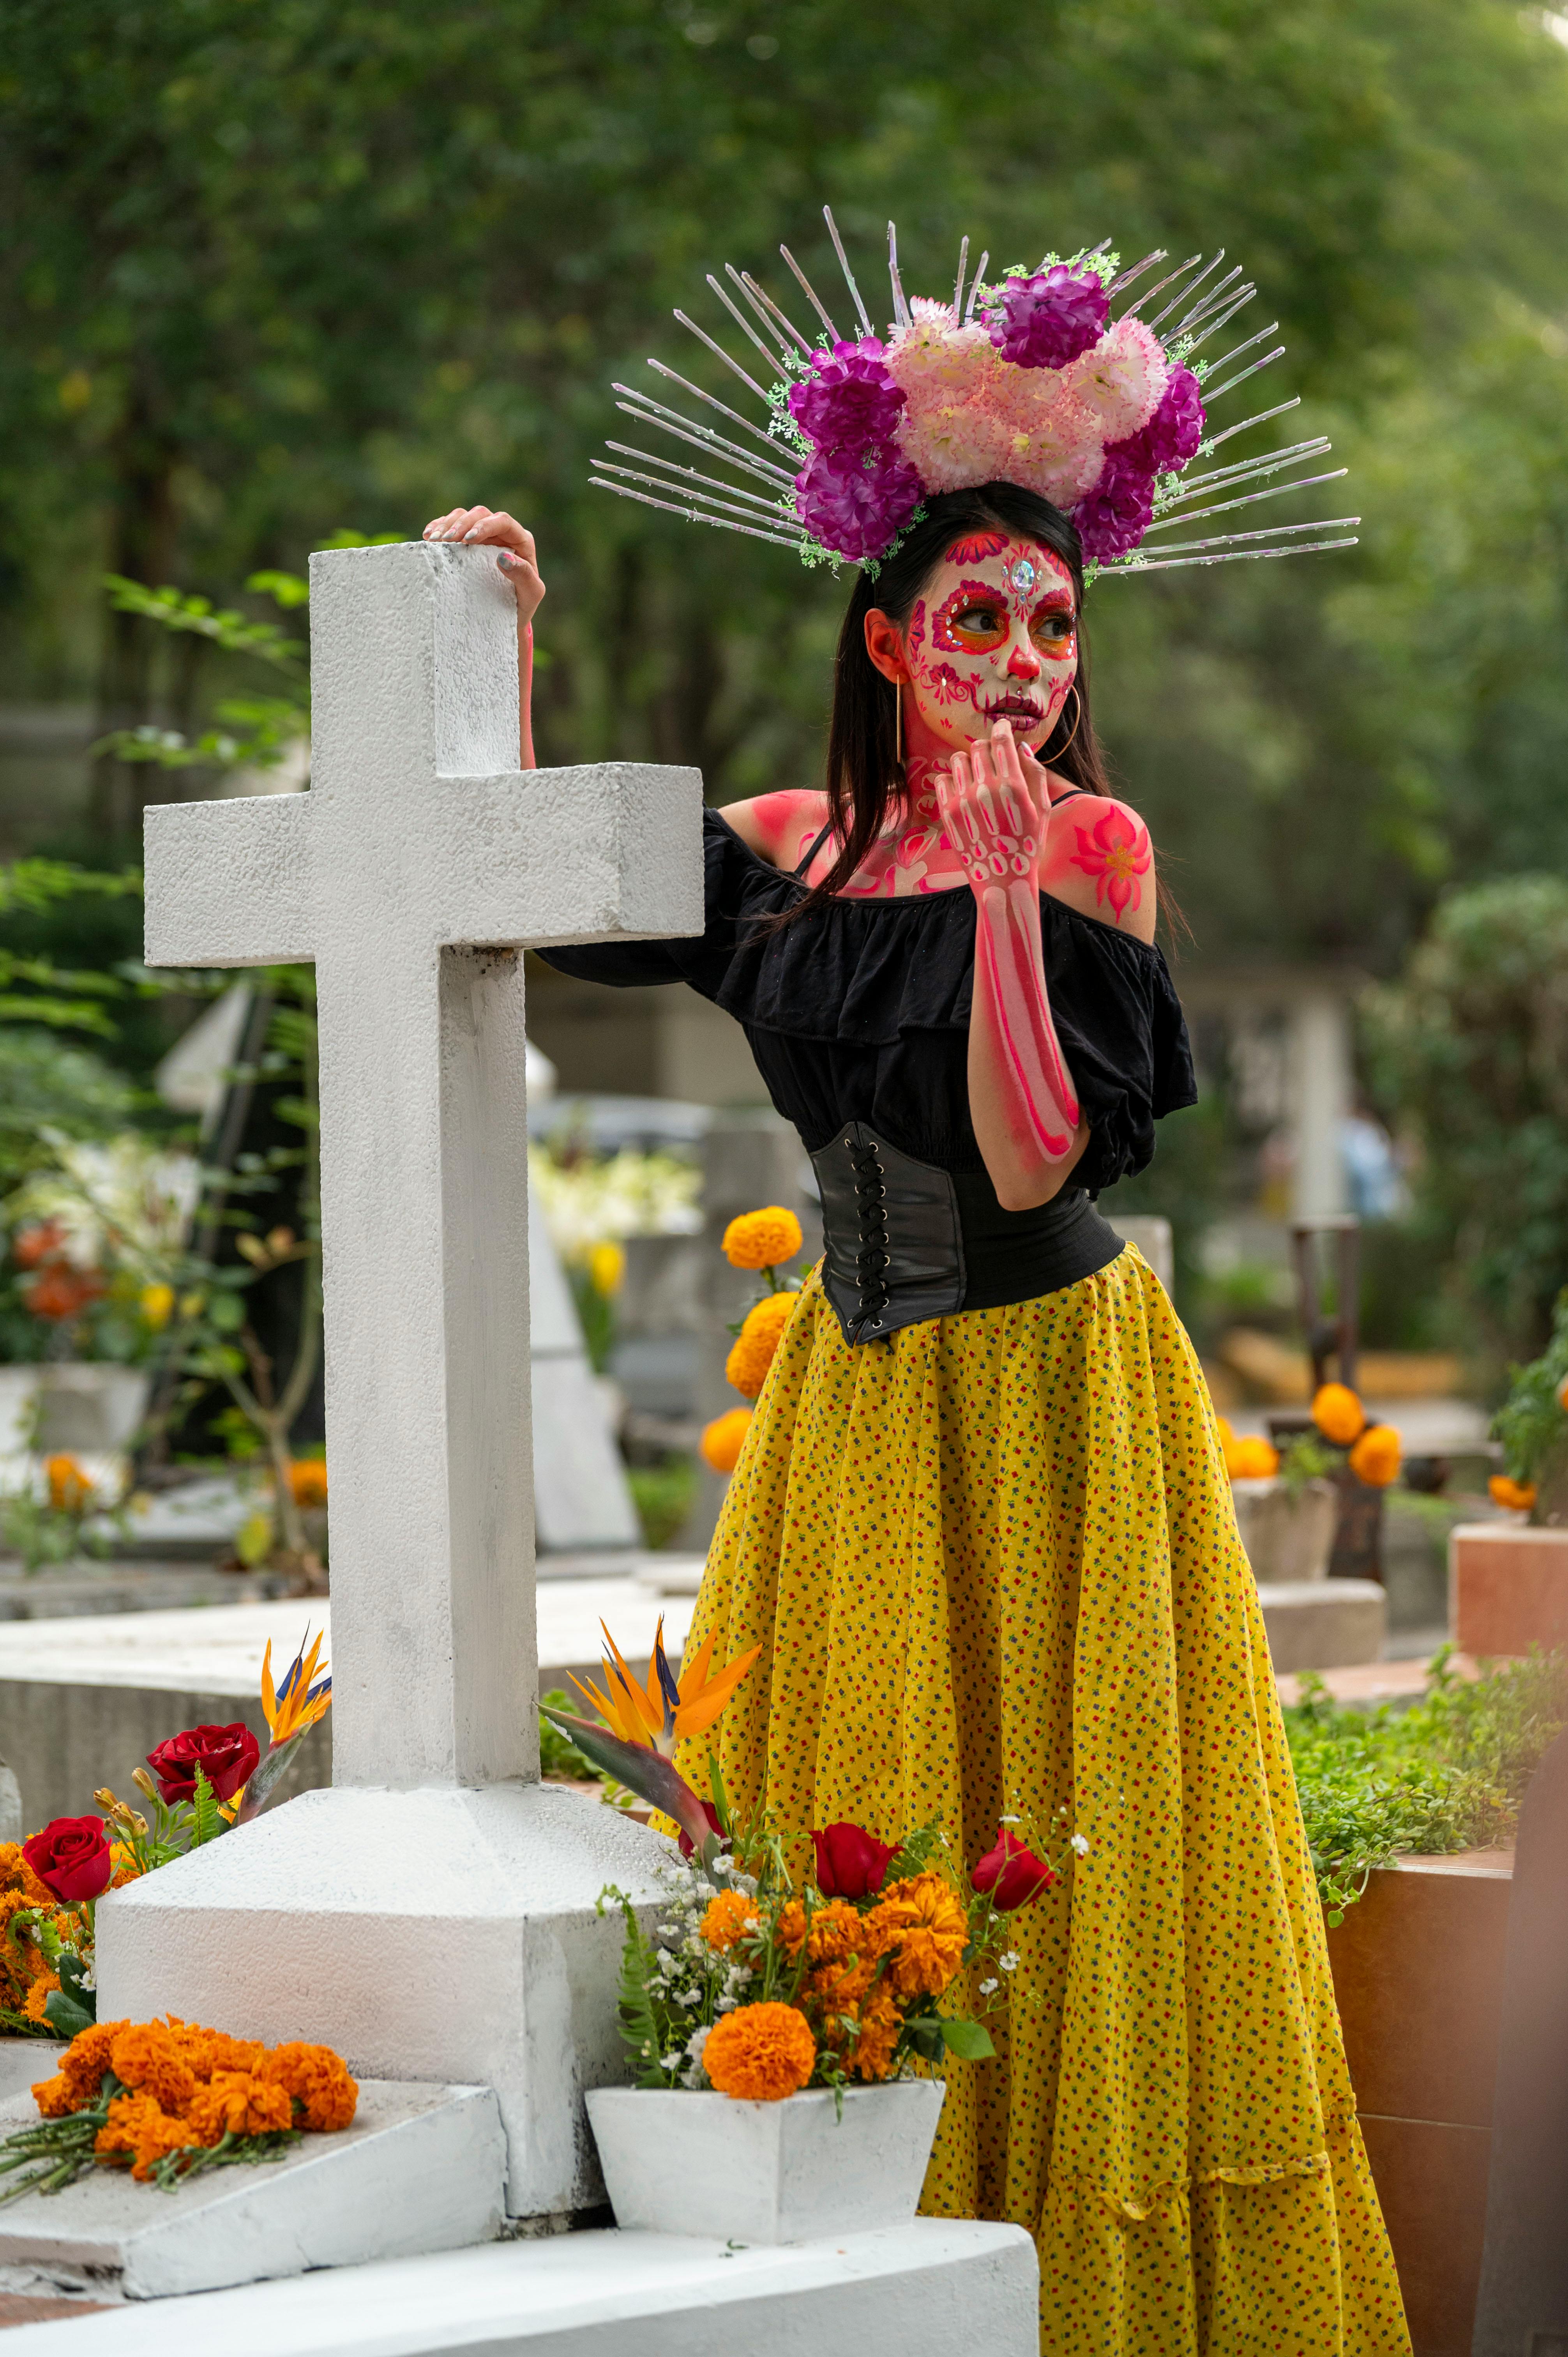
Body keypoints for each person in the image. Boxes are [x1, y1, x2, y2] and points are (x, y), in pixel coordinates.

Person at [422, 232, 1406, 2355]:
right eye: (978, 618)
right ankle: (842, 2249)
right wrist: (502, 639)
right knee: (853, 1806)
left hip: (1053, 1392)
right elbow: (517, 877)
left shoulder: (1092, 847)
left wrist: (1001, 901)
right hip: (859, 1405)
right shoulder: (787, 842)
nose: (1022, 662)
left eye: (1054, 624)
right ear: (885, 639)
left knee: (1072, 1833)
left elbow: (1039, 1161)